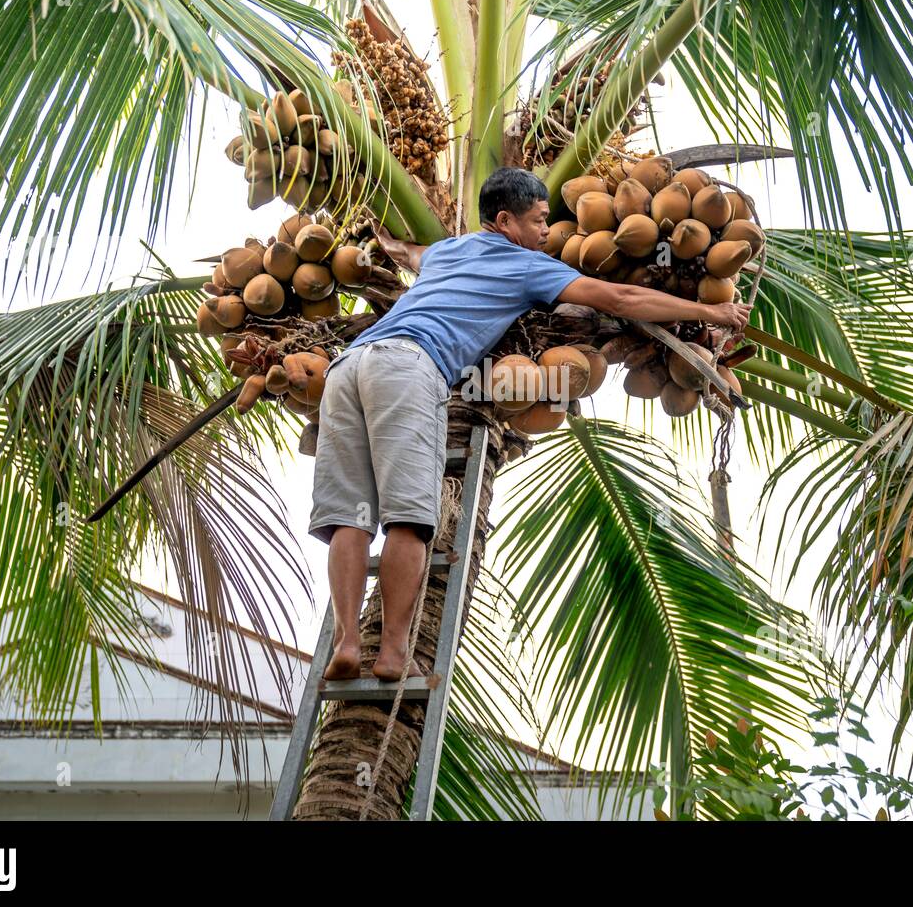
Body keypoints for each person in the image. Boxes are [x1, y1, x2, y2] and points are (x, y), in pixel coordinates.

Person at [309, 166, 751, 681]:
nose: (546, 232)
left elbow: (410, 254)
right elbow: (622, 300)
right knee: (408, 518)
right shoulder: (525, 265)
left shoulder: (449, 251)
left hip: (347, 365)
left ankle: (344, 642)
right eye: (540, 221)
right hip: (408, 367)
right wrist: (708, 312)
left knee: (350, 518)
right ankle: (390, 654)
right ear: (505, 221)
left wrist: (384, 242)